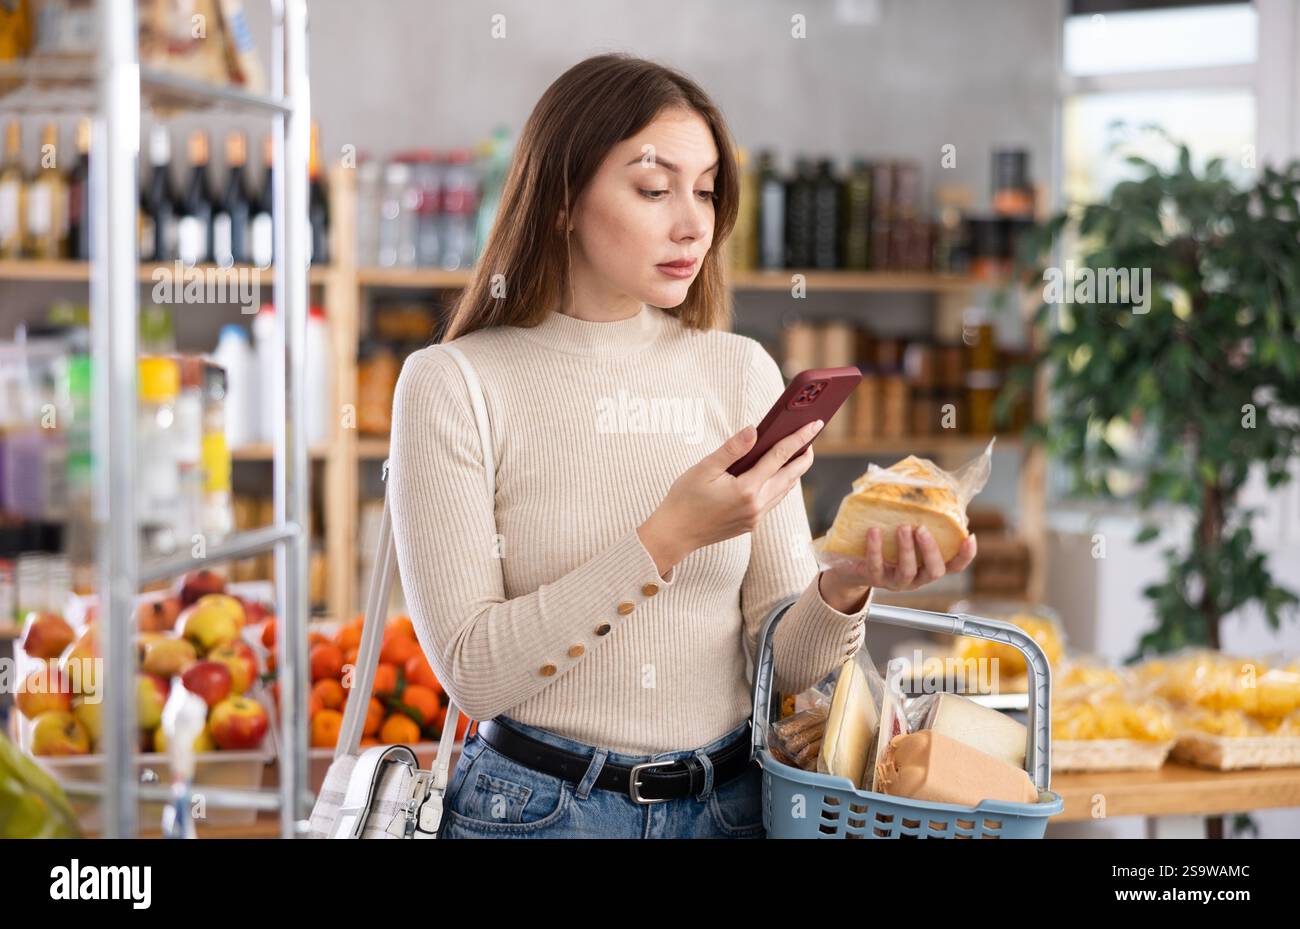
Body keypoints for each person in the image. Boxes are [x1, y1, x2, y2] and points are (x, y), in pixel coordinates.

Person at [388, 53, 976, 839]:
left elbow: (783, 665)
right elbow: (473, 671)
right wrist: (667, 537)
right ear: (562, 197)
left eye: (704, 190)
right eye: (653, 188)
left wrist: (845, 585)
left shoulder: (736, 369)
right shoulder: (452, 383)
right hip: (537, 813)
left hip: (728, 806)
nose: (693, 222)